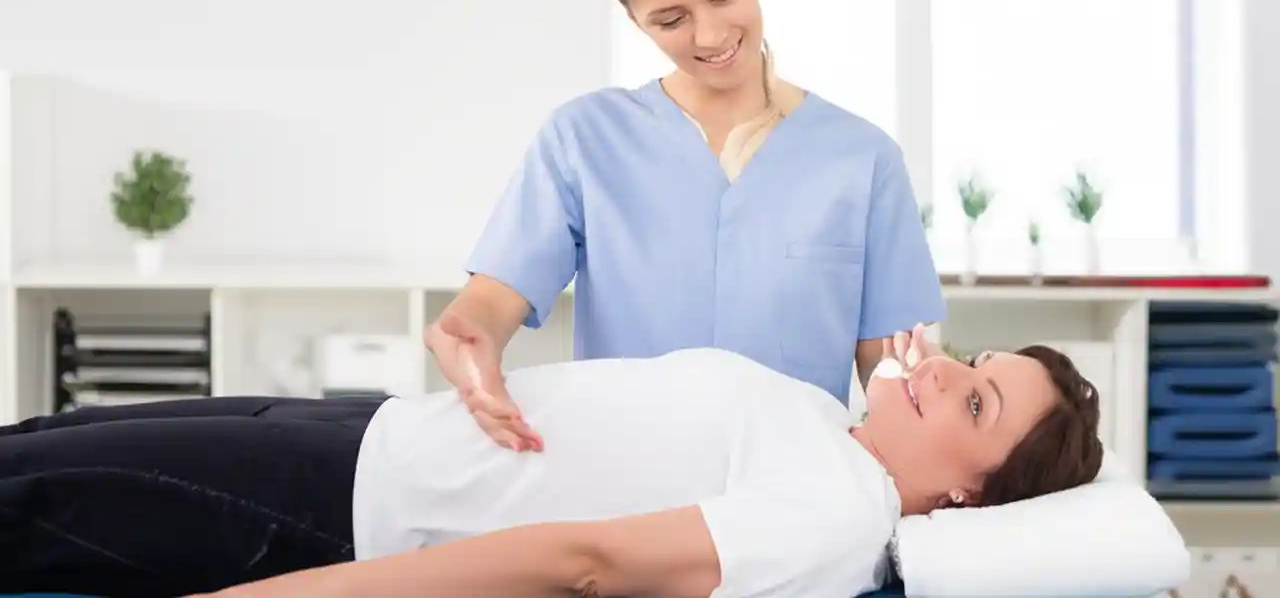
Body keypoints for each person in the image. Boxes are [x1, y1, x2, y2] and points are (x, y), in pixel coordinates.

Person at [427, 0, 945, 454]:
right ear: (634, 19)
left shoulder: (862, 158)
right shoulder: (585, 140)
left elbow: (895, 372)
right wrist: (468, 338)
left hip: (791, 493)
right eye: (671, 20)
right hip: (622, 482)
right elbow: (488, 305)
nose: (712, 34)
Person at [0, 339, 1103, 597]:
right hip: (367, 433)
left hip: (339, 509)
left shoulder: (832, 515)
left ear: (968, 490)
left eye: (974, 400)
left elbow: (584, 561)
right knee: (30, 446)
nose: (942, 367)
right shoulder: (826, 424)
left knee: (23, 504)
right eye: (970, 359)